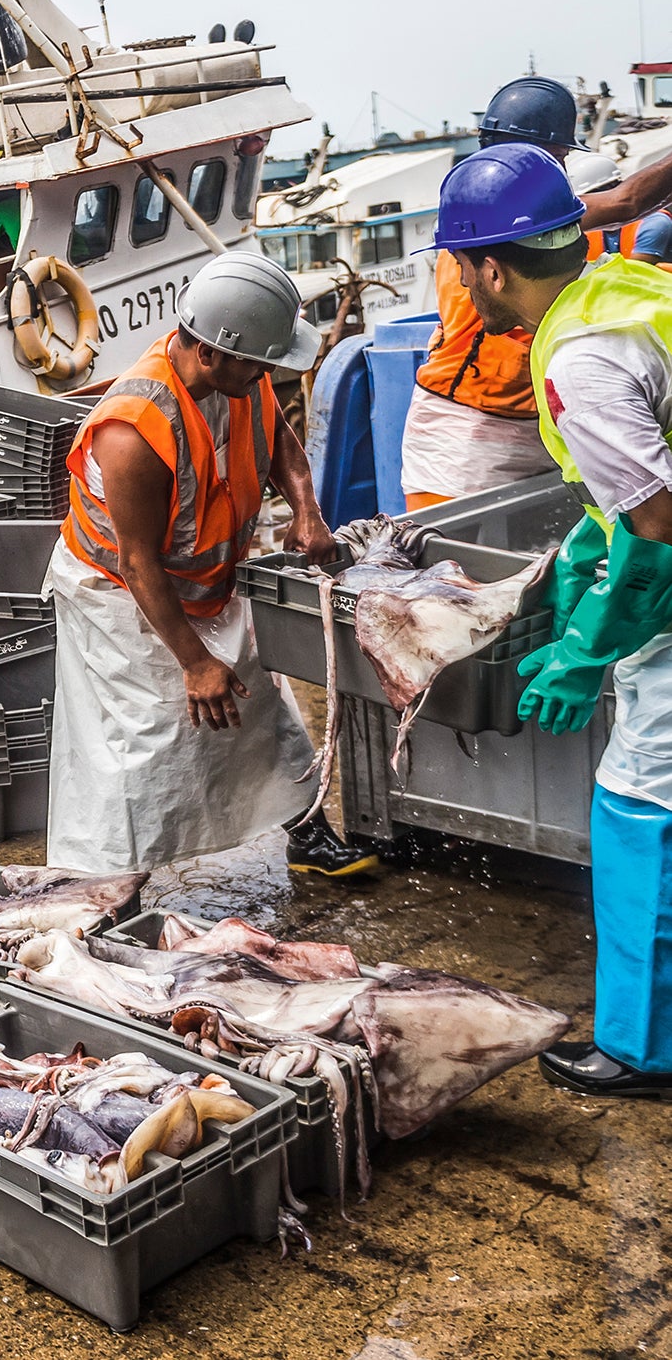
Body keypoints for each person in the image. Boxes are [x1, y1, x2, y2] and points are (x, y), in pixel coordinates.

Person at [426, 141, 672, 1098]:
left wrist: (586, 646)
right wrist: (582, 548)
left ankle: (642, 1049)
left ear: (491, 268)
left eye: (457, 264)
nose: (460, 284)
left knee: (640, 804)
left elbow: (657, 529)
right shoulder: (629, 288)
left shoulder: (579, 355)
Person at [48, 251, 379, 880]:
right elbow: (137, 560)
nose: (268, 374)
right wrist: (195, 662)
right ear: (210, 353)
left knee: (256, 699)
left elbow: (283, 446)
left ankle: (306, 833)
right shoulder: (133, 431)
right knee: (143, 742)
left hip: (209, 582)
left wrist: (306, 510)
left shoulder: (240, 377)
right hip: (121, 596)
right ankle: (105, 885)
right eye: (260, 362)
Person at [401, 77, 672, 511]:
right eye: (561, 155)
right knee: (459, 562)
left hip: (540, 416)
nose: (562, 167)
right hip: (466, 428)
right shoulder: (492, 219)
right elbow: (625, 203)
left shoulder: (509, 213)